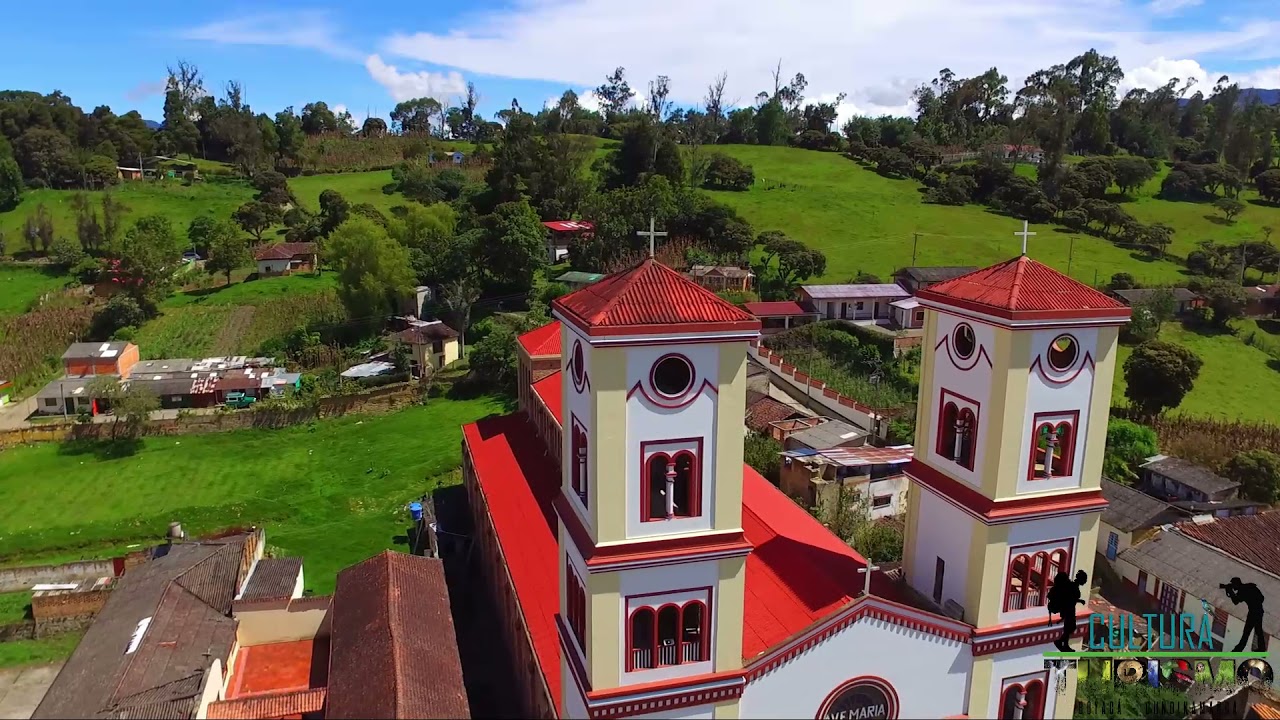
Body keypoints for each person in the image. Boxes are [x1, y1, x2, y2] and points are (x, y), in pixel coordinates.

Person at [1047, 570, 1089, 651]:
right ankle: (1062, 643)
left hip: (1069, 609)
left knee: (1069, 627)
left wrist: (1079, 601)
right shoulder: (1073, 586)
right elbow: (1069, 598)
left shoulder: (1073, 586)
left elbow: (1072, 598)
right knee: (1069, 627)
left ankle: (1062, 643)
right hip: (1068, 609)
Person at [1222, 577, 1266, 652]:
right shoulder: (1250, 586)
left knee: (1247, 631)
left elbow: (1235, 601)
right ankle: (1261, 648)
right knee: (1258, 630)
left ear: (1236, 584)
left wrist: (1230, 591)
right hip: (1258, 611)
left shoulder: (1242, 590)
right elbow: (1262, 598)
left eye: (1233, 585)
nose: (1233, 586)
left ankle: (1239, 649)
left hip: (1253, 612)